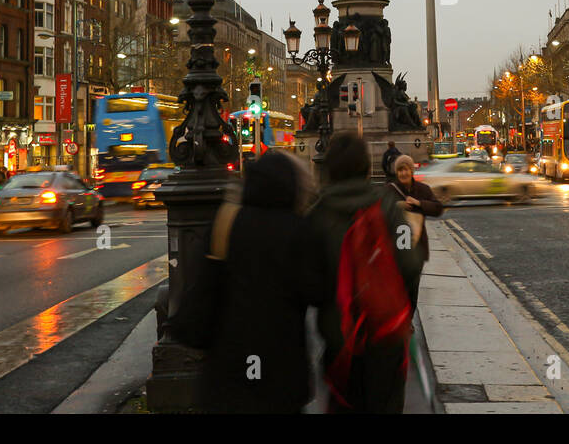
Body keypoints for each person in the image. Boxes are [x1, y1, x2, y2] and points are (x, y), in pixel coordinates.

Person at [183, 150, 323, 414]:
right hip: (280, 367)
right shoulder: (297, 229)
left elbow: (202, 281)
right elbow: (317, 291)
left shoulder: (226, 221)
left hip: (226, 366)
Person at [307, 132, 424, 413]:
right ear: (364, 166)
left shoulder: (316, 215)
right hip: (386, 331)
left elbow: (308, 282)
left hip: (339, 336)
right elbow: (410, 262)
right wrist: (403, 309)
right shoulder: (388, 206)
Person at [387, 155, 444, 309]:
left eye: (405, 169)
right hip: (396, 248)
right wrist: (396, 206)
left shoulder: (423, 190)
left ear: (411, 170)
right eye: (400, 170)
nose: (403, 174)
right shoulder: (389, 190)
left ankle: (408, 319)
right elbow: (379, 213)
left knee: (412, 288)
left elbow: (438, 209)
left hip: (417, 247)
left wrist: (419, 203)